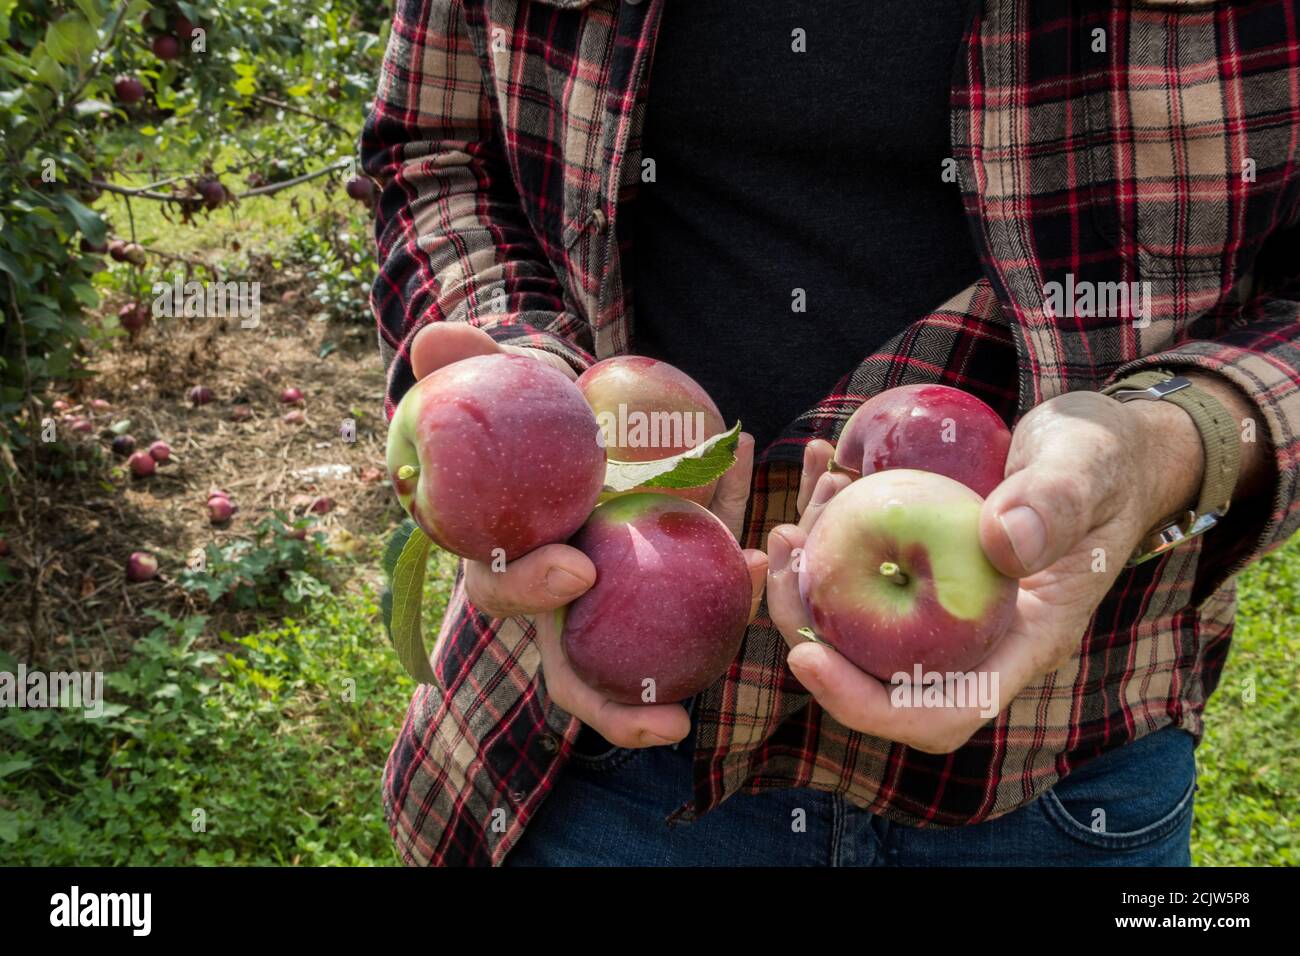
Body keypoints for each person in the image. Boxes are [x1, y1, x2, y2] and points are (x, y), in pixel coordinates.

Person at [361, 0, 1300, 866]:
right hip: (588, 736)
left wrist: (1170, 446)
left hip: (1056, 758)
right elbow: (435, 147)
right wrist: (529, 407)